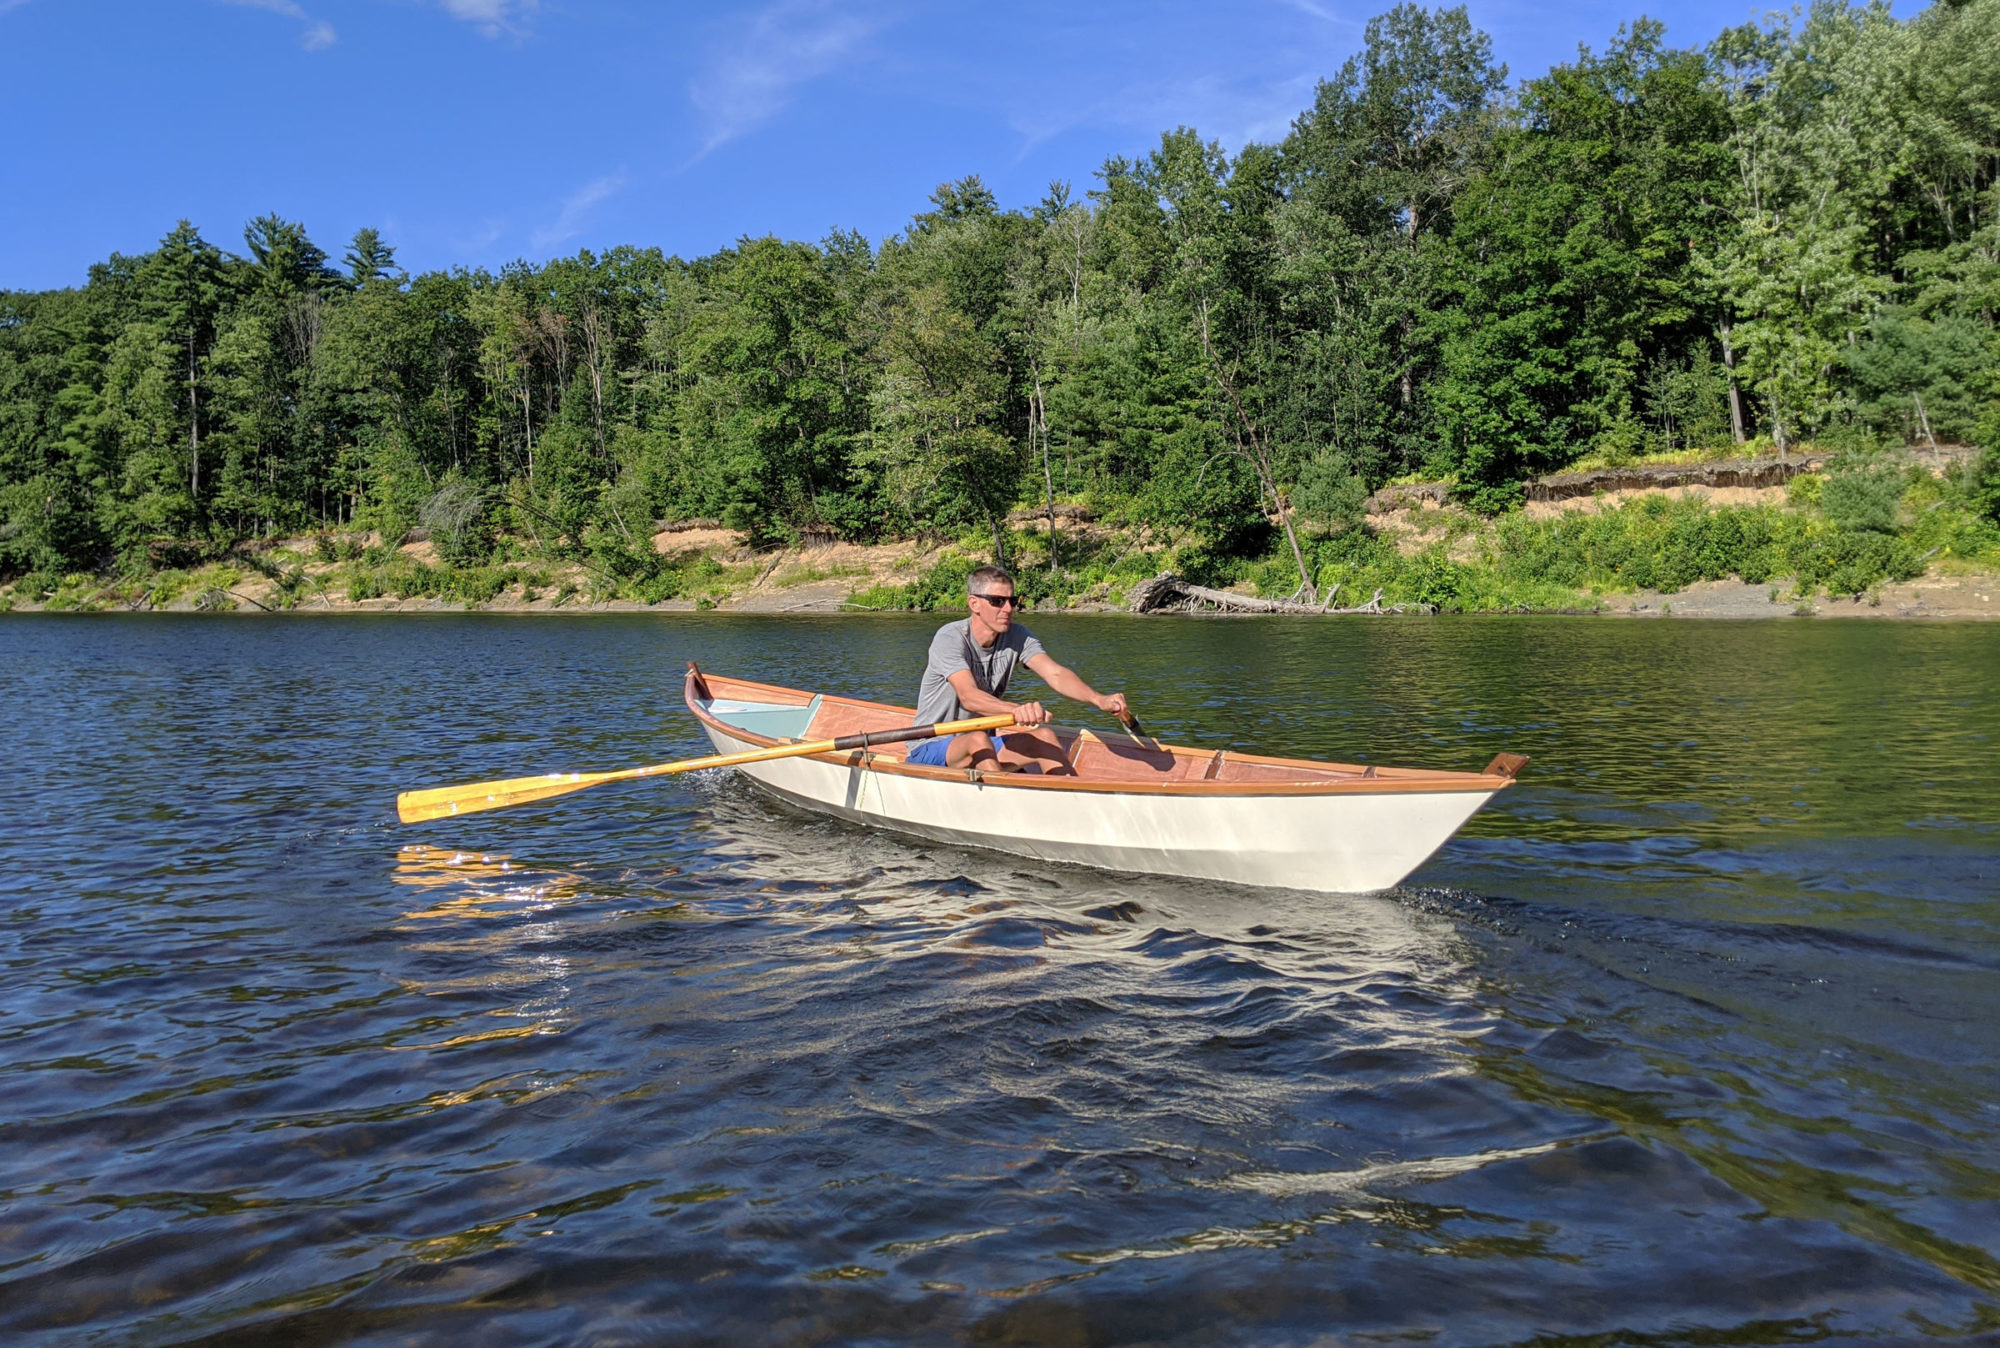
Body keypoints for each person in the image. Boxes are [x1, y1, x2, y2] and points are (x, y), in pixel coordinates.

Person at [906, 565, 1129, 772]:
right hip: (931, 745)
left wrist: (1098, 699)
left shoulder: (1018, 636)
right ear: (974, 604)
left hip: (984, 745)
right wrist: (1015, 710)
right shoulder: (950, 637)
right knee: (978, 740)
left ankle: (1066, 797)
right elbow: (969, 697)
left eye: (1013, 600)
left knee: (1046, 737)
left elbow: (1056, 674)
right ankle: (1003, 802)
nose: (1008, 608)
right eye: (997, 601)